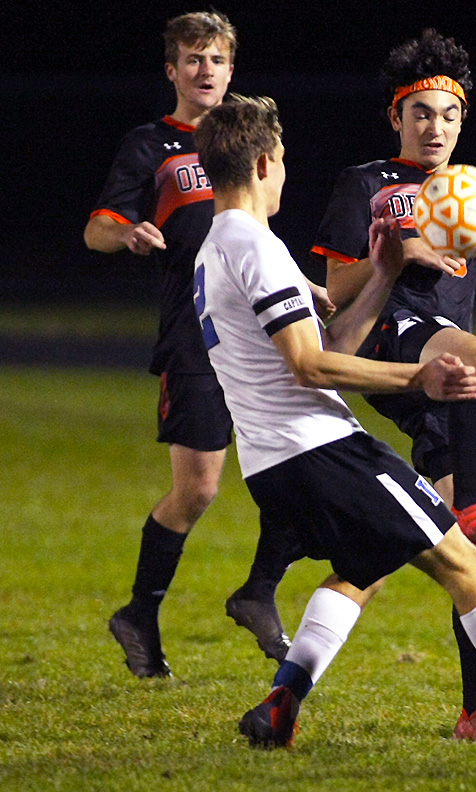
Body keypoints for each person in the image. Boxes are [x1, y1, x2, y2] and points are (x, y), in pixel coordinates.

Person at [191, 92, 476, 757]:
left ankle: (280, 704)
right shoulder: (258, 247)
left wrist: (383, 274)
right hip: (324, 450)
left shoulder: (214, 248)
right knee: (468, 565)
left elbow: (332, 343)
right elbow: (311, 367)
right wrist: (416, 378)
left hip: (269, 462)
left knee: (369, 567)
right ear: (265, 162)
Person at [309, 29, 476, 744]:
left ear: (463, 122)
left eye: (449, 115)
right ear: (396, 117)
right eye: (421, 113)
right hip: (390, 340)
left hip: (448, 388)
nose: (435, 127)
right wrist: (397, 256)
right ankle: (474, 507)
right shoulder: (368, 183)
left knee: (469, 560)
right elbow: (335, 286)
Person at [83, 10, 324, 677]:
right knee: (197, 490)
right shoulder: (150, 146)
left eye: (216, 59)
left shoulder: (242, 135)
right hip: (195, 336)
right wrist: (126, 232)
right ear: (172, 70)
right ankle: (139, 612)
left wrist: (300, 284)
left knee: (303, 460)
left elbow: (255, 228)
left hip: (259, 332)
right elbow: (96, 229)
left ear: (231, 68)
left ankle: (258, 590)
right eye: (193, 59)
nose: (205, 70)